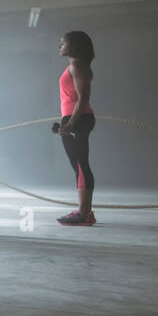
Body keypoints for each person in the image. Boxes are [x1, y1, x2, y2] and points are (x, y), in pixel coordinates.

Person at [55, 30, 97, 226]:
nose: (60, 47)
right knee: (78, 165)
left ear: (74, 46)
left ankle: (84, 213)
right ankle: (84, 211)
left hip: (77, 120)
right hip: (74, 119)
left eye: (63, 43)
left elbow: (83, 98)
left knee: (81, 165)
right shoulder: (77, 65)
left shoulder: (76, 65)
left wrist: (70, 123)